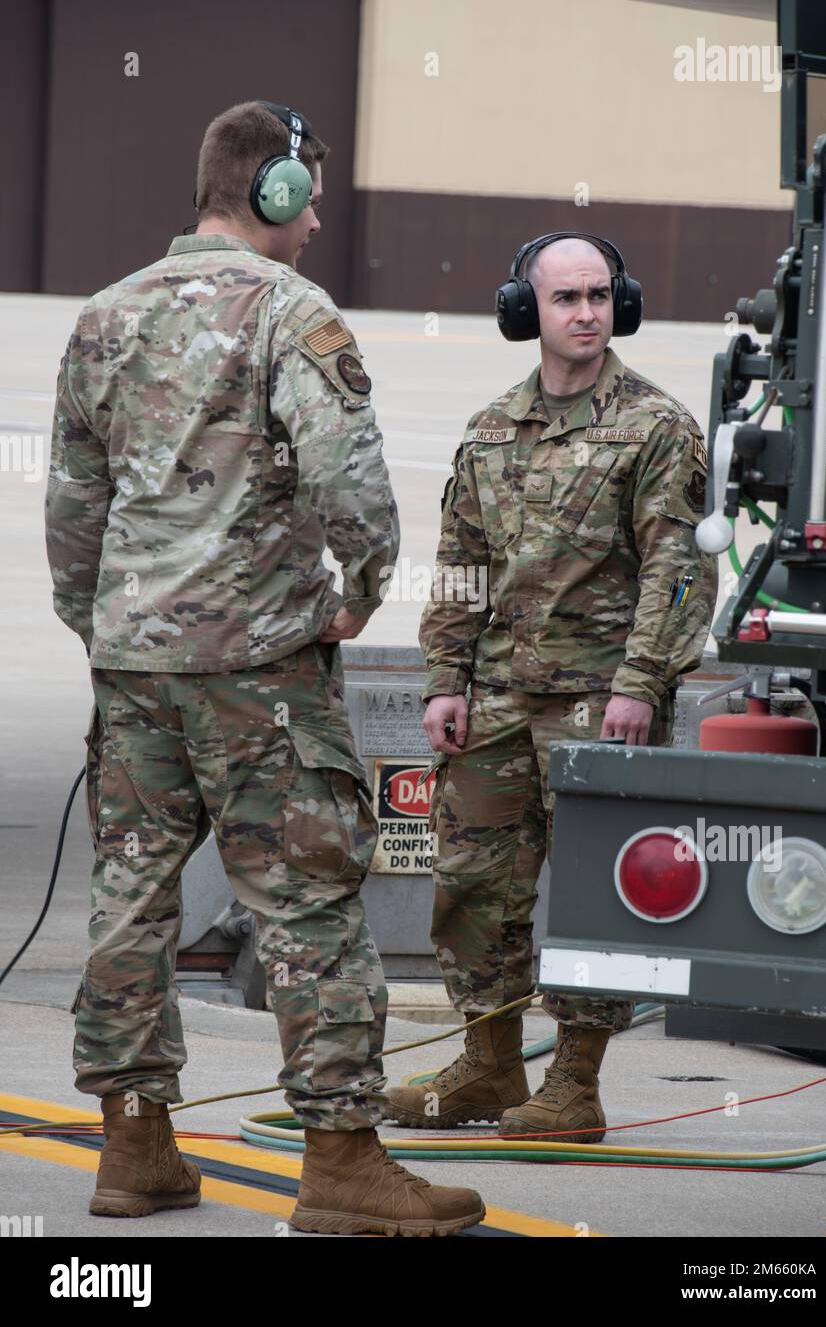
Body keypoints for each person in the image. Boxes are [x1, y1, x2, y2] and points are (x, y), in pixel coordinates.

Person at [45, 99, 483, 1235]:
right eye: (310, 191)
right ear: (272, 193)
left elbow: (72, 514)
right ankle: (340, 1162)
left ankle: (132, 1150)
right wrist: (362, 592)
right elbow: (350, 482)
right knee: (308, 898)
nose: (320, 213)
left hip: (136, 668)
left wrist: (106, 630)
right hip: (260, 671)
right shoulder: (294, 312)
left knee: (131, 898)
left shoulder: (101, 316)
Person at [385, 233, 718, 1141]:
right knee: (472, 889)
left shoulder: (656, 426)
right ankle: (490, 1066)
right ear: (526, 309)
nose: (585, 313)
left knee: (591, 894)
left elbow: (678, 569)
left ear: (622, 304)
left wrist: (642, 682)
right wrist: (445, 677)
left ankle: (574, 1083)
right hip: (495, 700)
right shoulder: (492, 427)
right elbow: (461, 563)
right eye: (566, 298)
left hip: (599, 704)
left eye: (600, 296)